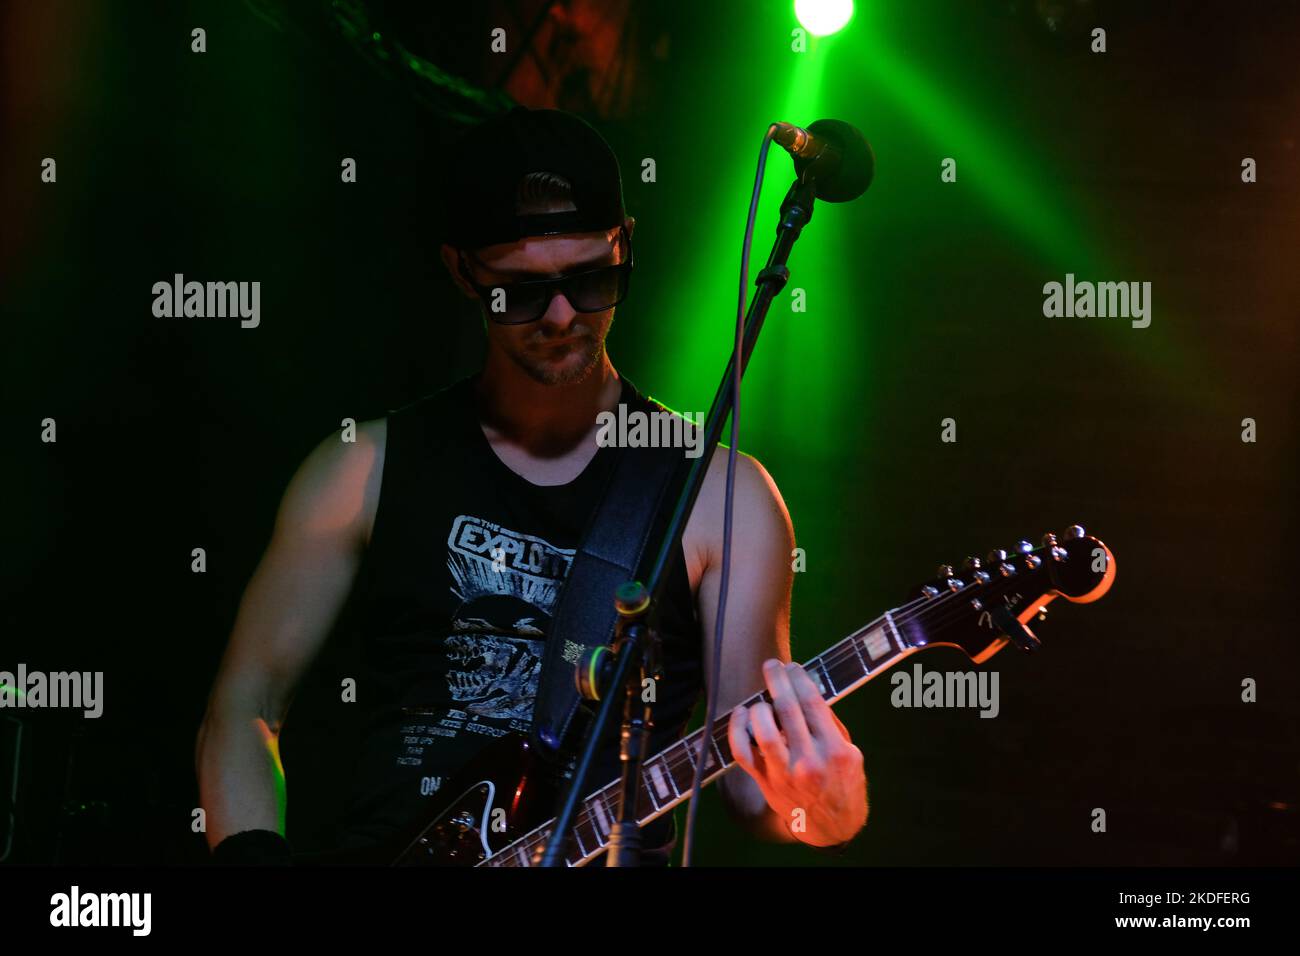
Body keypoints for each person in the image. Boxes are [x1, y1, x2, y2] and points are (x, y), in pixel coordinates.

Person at [195, 107, 867, 866]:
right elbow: (245, 704)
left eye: (590, 280)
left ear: (627, 246)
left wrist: (823, 811)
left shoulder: (721, 495)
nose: (558, 317)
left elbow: (754, 787)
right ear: (461, 271)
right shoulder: (363, 466)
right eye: (517, 291)